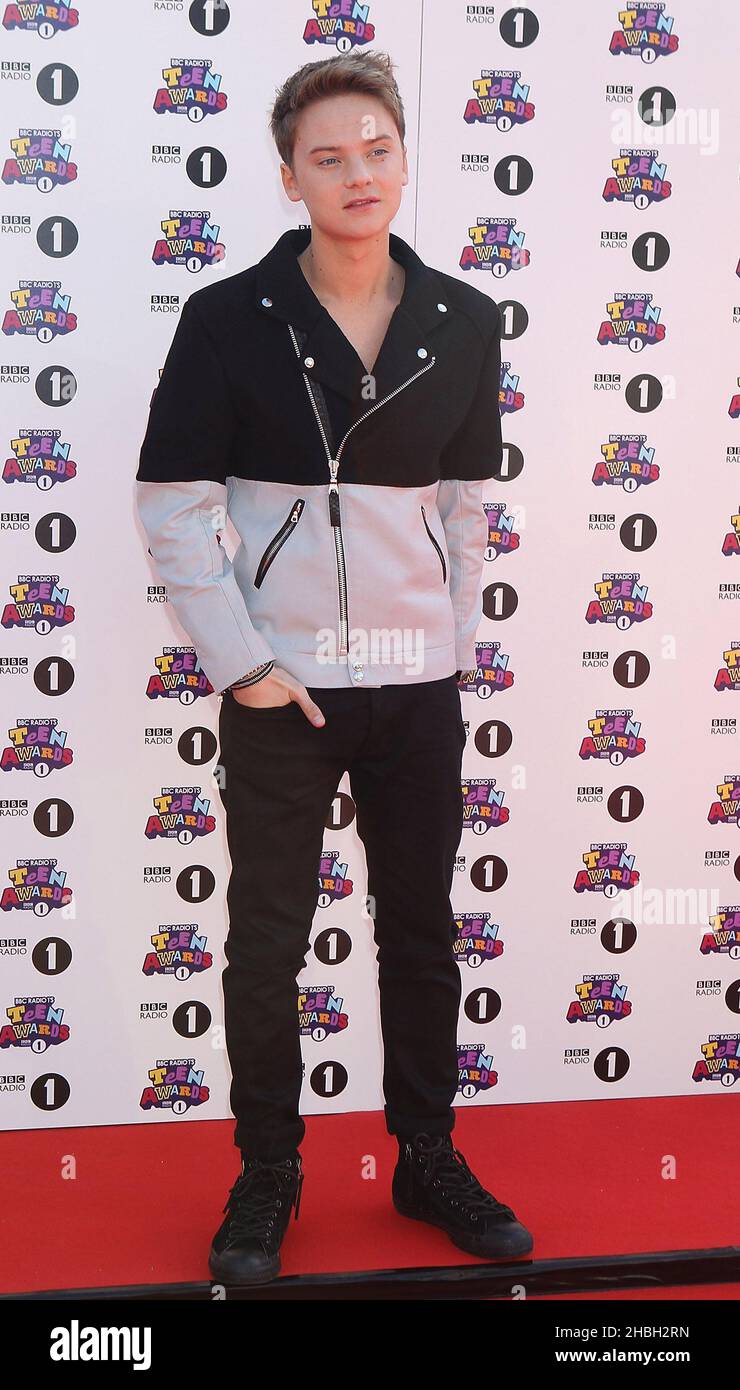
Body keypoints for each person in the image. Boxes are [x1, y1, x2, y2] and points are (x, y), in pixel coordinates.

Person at [136, 49, 533, 1286]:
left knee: (418, 928)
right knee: (267, 938)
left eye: (377, 149)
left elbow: (465, 505)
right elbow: (169, 500)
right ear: (289, 175)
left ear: (405, 156)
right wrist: (246, 664)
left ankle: (426, 1156)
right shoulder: (227, 316)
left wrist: (446, 647)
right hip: (283, 683)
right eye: (328, 156)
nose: (357, 173)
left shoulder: (464, 317)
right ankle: (266, 1171)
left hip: (412, 686)